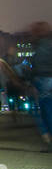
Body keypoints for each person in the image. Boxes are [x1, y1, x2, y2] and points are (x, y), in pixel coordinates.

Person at [27, 22, 52, 150]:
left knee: (45, 109)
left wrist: (32, 80)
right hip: (47, 79)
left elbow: (37, 66)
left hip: (44, 79)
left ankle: (48, 135)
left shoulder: (41, 46)